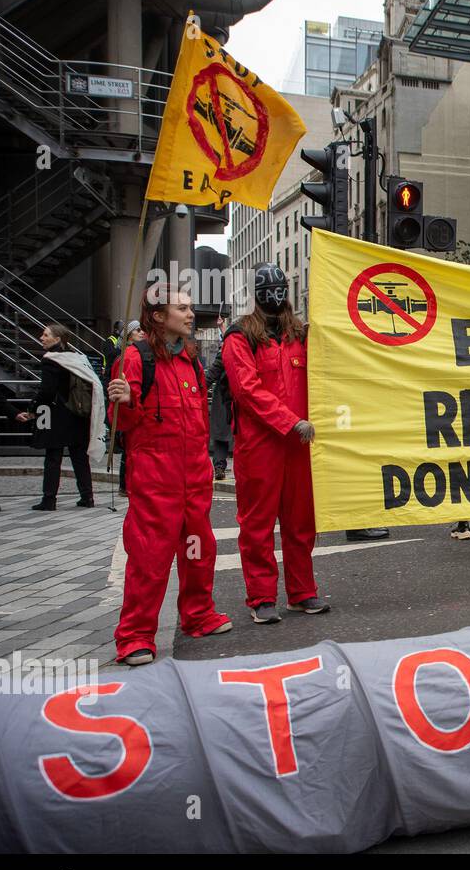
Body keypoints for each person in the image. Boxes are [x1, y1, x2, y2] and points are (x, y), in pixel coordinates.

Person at [107, 283, 232, 665]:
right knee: (150, 556)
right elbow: (121, 423)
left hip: (193, 474)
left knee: (199, 548)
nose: (190, 314)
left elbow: (196, 420)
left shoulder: (189, 359)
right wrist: (124, 402)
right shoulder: (134, 357)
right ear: (159, 317)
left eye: (190, 307)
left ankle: (197, 615)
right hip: (155, 477)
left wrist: (207, 461)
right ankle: (135, 636)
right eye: (182, 308)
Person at [221, 263, 330, 622]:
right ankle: (261, 598)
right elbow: (246, 391)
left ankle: (302, 592)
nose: (277, 293)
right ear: (258, 292)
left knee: (301, 522)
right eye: (271, 287)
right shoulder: (240, 337)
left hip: (298, 443)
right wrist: (290, 422)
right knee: (258, 524)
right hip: (260, 445)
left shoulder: (300, 334)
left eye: (281, 286)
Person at [16, 324, 102, 510]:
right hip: (79, 413)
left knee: (53, 456)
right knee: (79, 456)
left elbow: (47, 391)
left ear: (57, 339)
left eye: (46, 335)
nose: (41, 337)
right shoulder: (77, 357)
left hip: (57, 414)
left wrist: (32, 407)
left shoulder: (51, 359)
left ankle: (49, 500)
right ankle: (87, 497)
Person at [109, 321, 144, 495]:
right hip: (126, 408)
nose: (141, 332)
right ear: (129, 335)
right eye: (138, 330)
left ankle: (125, 484)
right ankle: (124, 484)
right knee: (126, 447)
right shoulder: (126, 357)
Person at [204, 316, 233, 481]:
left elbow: (212, 373)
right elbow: (213, 373)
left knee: (222, 435)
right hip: (227, 397)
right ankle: (220, 467)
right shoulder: (231, 349)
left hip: (225, 397)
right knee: (223, 434)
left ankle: (220, 466)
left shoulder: (226, 350)